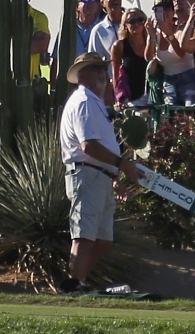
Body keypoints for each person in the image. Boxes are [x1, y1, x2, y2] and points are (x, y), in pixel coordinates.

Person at [59, 50, 142, 292]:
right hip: (86, 175)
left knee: (103, 240)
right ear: (82, 75)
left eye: (103, 68)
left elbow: (99, 146)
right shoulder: (84, 102)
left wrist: (113, 177)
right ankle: (74, 287)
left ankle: (79, 284)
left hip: (100, 176)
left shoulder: (95, 103)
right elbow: (88, 146)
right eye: (95, 68)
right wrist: (122, 165)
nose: (102, 73)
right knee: (84, 236)